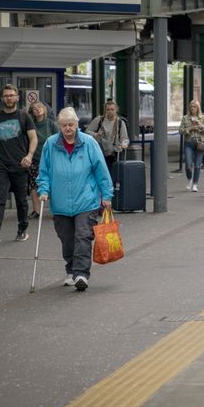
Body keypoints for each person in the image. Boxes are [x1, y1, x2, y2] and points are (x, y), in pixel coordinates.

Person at [36, 107, 114, 292]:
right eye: (64, 125)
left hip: (86, 200)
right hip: (61, 202)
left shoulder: (88, 143)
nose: (68, 128)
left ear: (77, 125)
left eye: (71, 124)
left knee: (83, 236)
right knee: (67, 239)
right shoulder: (50, 144)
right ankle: (71, 269)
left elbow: (101, 170)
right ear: (59, 126)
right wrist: (43, 190)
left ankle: (81, 274)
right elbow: (44, 171)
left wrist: (107, 195)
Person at [0, 85, 37, 243]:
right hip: (1, 165)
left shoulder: (24, 116)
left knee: (21, 201)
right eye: (6, 96)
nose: (9, 98)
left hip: (21, 165)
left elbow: (33, 138)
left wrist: (29, 156)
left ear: (17, 97)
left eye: (11, 95)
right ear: (2, 98)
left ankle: (22, 230)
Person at [27, 102, 59, 219]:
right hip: (35, 159)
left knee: (54, 185)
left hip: (50, 159)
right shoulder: (31, 125)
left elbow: (59, 140)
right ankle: (37, 211)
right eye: (34, 109)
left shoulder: (51, 124)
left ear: (44, 109)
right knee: (34, 185)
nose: (38, 110)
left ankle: (56, 210)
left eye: (39, 107)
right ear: (32, 112)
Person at [87, 100, 129, 174]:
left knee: (114, 174)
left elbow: (125, 138)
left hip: (115, 154)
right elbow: (87, 132)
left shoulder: (120, 123)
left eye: (112, 109)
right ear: (105, 110)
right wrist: (96, 135)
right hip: (100, 152)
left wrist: (124, 144)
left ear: (116, 110)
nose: (110, 111)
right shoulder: (99, 120)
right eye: (108, 109)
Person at [179, 100, 204, 192]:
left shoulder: (202, 117)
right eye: (191, 107)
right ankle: (189, 179)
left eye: (194, 107)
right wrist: (190, 128)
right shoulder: (185, 118)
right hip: (189, 143)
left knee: (197, 165)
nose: (192, 108)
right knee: (188, 164)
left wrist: (199, 125)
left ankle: (195, 184)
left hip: (200, 143)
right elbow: (180, 130)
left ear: (198, 108)